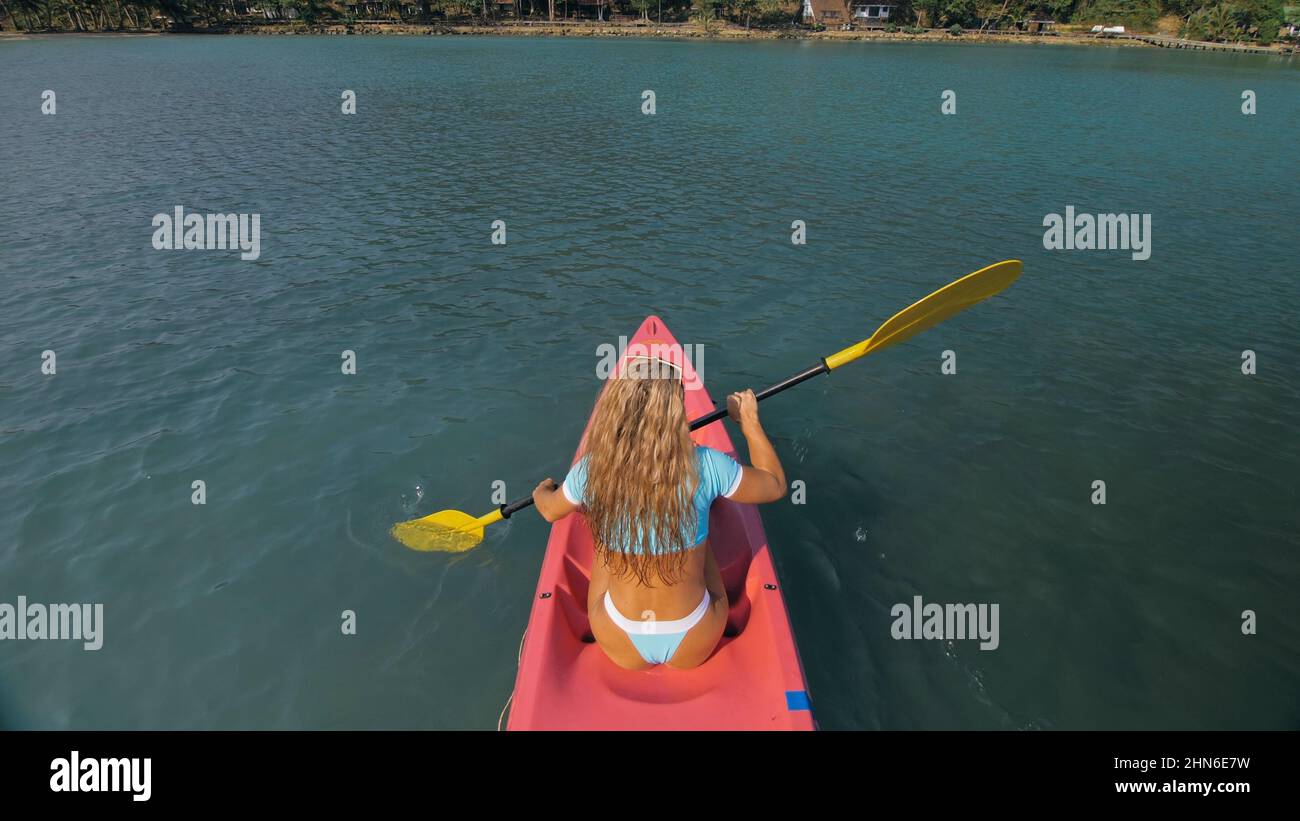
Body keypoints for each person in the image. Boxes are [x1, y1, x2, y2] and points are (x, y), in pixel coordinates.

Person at [532, 356, 787, 670]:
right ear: (675, 410)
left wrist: (542, 490)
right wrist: (749, 424)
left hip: (619, 638)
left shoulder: (592, 469)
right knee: (695, 528)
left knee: (601, 533)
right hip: (695, 636)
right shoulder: (707, 464)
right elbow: (774, 485)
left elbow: (549, 511)